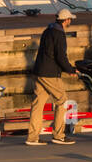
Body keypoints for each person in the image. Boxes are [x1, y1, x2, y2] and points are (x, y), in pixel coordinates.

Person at [26, 8, 77, 146]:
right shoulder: (59, 34)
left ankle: (32, 137)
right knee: (62, 100)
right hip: (49, 74)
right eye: (70, 20)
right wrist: (70, 70)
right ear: (66, 20)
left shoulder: (47, 30)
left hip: (38, 71)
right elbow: (60, 56)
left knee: (38, 103)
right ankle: (59, 135)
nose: (70, 21)